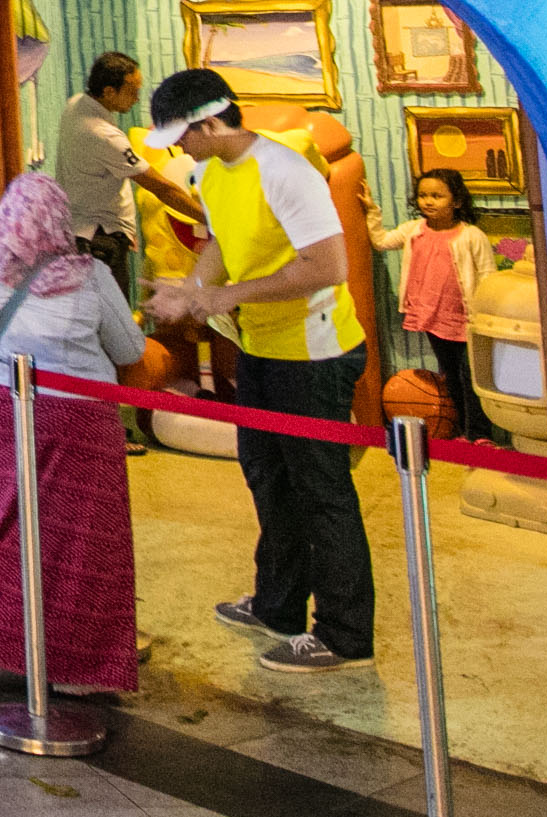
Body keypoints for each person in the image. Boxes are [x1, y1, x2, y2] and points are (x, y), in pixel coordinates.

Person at [142, 68, 372, 673]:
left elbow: (328, 266)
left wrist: (225, 297)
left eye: (182, 136)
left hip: (316, 354)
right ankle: (278, 606)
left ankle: (346, 634)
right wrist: (192, 289)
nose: (177, 149)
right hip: (262, 346)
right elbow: (219, 242)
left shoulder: (286, 171)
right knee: (267, 476)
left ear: (212, 124)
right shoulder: (209, 172)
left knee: (322, 492)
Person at [0, 171, 145, 700]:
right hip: (79, 419)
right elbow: (130, 348)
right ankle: (75, 663)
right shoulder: (88, 275)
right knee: (82, 539)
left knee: (0, 523)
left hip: (2, 404)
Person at [50, 52, 209, 296]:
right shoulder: (104, 136)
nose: (137, 99)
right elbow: (162, 188)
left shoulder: (76, 105)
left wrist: (125, 227)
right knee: (113, 319)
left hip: (86, 231)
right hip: (99, 241)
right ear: (108, 92)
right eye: (132, 91)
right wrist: (208, 219)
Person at [373, 167, 502, 444]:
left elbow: (488, 276)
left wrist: (487, 316)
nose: (428, 201)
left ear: (456, 202)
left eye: (437, 196)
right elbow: (381, 241)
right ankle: (462, 430)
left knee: (472, 379)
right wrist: (370, 210)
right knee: (451, 377)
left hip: (467, 320)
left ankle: (480, 434)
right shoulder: (413, 231)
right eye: (423, 195)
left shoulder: (471, 235)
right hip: (434, 318)